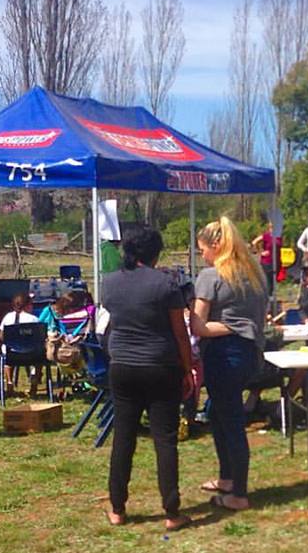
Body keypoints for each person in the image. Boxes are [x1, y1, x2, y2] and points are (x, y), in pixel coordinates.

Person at [100, 226, 193, 532]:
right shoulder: (166, 284)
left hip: (122, 365)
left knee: (123, 437)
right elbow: (180, 333)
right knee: (165, 440)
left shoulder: (110, 283)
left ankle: (117, 508)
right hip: (160, 365)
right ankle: (171, 511)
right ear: (155, 253)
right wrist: (188, 368)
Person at [192, 216, 268, 511]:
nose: (202, 256)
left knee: (231, 421)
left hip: (223, 355)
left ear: (215, 246)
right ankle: (227, 478)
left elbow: (198, 326)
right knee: (218, 413)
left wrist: (229, 327)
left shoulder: (210, 277)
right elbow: (256, 319)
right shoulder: (255, 273)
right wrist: (241, 326)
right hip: (249, 354)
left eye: (203, 250)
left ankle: (239, 493)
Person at [0, 293, 43, 395]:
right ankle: (34, 383)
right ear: (27, 306)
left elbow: (2, 336)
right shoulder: (34, 319)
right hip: (32, 355)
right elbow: (40, 338)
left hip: (11, 355)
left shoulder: (7, 317)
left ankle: (9, 381)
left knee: (7, 352)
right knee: (41, 354)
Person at [251, 220, 282, 295]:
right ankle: (267, 297)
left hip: (277, 262)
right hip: (267, 262)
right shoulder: (266, 236)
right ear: (269, 228)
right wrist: (260, 252)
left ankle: (270, 296)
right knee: (268, 282)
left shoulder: (279, 237)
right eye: (272, 227)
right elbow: (254, 242)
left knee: (273, 282)